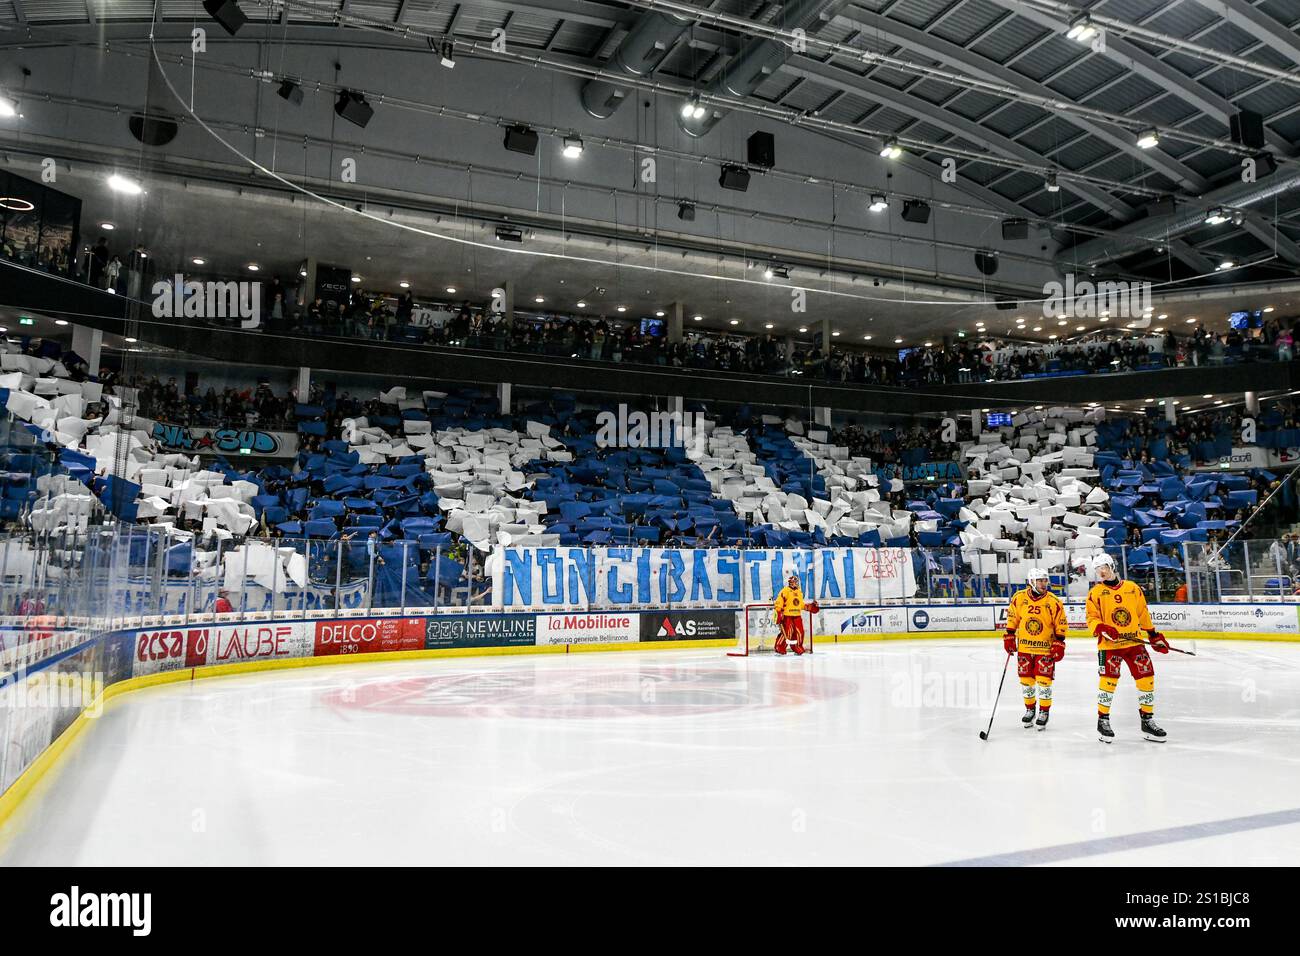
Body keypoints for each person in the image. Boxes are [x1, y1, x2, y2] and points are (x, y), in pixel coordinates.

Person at [1086, 553, 1169, 743]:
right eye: (1098, 570)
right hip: (1110, 646)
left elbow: (1142, 612)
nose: (1101, 572)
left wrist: (1153, 634)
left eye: (1104, 567)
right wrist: (1101, 627)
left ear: (1112, 566)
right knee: (1108, 682)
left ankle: (1147, 721)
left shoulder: (1132, 588)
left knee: (1146, 678)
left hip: (1135, 643)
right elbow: (1091, 617)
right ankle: (1103, 720)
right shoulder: (1095, 593)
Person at [1002, 567, 1067, 729]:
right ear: (1031, 582)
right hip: (1025, 647)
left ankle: (1044, 711)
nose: (1043, 583)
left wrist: (1059, 642)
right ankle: (1030, 709)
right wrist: (1009, 636)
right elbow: (1012, 618)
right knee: (1026, 681)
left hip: (1045, 648)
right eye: (1040, 581)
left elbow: (1061, 623)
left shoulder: (1053, 601)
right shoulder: (1019, 598)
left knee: (1044, 681)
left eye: (1045, 580)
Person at [772, 571, 807, 656]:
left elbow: (800, 604)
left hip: (797, 616)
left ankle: (797, 647)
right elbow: (779, 601)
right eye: (791, 582)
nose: (793, 584)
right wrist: (778, 611)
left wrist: (810, 607)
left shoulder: (799, 592)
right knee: (787, 632)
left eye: (794, 582)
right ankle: (780, 647)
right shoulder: (785, 591)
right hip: (787, 616)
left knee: (800, 632)